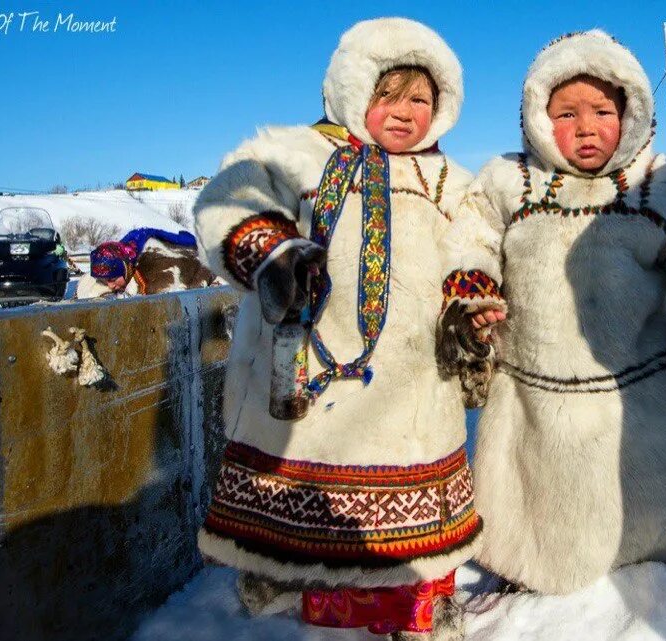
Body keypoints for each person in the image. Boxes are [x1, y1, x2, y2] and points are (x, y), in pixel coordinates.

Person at [437, 30, 666, 594]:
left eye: (603, 110)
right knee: (545, 505)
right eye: (565, 112)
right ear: (536, 115)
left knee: (664, 498)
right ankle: (533, 569)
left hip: (643, 386)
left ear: (631, 112)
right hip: (537, 391)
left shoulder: (662, 184)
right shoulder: (509, 181)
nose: (585, 126)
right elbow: (472, 233)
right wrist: (472, 291)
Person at [194, 18, 478, 639]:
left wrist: (471, 297)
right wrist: (267, 250)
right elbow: (229, 195)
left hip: (413, 377)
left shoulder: (449, 180)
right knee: (297, 480)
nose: (405, 112)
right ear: (355, 91)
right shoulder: (296, 154)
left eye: (420, 100)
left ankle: (418, 601)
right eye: (389, 94)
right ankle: (279, 573)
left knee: (411, 508)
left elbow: (477, 243)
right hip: (308, 366)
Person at [77, 227, 217, 298]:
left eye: (113, 279)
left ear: (125, 268)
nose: (111, 286)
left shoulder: (158, 271)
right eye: (106, 281)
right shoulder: (122, 256)